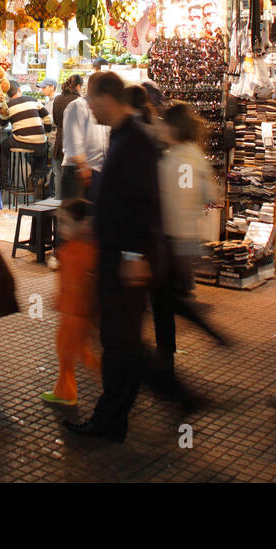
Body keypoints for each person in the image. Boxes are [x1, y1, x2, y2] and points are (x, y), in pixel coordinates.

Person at [65, 70, 199, 442]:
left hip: (126, 262)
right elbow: (122, 200)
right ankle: (137, 410)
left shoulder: (134, 141)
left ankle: (119, 417)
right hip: (116, 258)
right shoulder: (124, 137)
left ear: (107, 99)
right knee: (121, 343)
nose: (88, 106)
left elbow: (142, 206)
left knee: (120, 343)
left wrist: (133, 254)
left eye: (92, 99)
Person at [154, 102, 226, 372]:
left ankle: (167, 357)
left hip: (170, 240)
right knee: (169, 298)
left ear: (172, 127)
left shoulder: (173, 159)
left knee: (164, 300)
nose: (160, 127)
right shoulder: (195, 155)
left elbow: (168, 200)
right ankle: (171, 352)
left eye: (163, 123)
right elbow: (211, 198)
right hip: (185, 239)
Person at [41, 197, 101, 405]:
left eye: (65, 222)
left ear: (83, 224)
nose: (60, 228)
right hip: (76, 314)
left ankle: (68, 392)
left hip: (75, 315)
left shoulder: (80, 252)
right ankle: (66, 391)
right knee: (75, 353)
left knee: (71, 353)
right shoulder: (79, 250)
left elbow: (78, 287)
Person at [61, 81, 109, 202]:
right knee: (75, 215)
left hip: (96, 170)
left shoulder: (102, 107)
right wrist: (83, 166)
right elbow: (72, 140)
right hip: (76, 170)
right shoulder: (77, 106)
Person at [0, 80, 52, 192]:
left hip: (22, 141)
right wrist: (46, 136)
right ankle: (35, 176)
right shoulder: (33, 100)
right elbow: (48, 118)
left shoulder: (7, 106)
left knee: (3, 147)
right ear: (19, 90)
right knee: (40, 150)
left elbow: (2, 125)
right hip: (40, 143)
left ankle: (4, 182)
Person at [51, 75, 82, 182]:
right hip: (75, 144)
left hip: (59, 142)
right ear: (78, 86)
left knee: (59, 176)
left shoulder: (57, 99)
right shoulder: (79, 101)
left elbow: (55, 121)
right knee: (74, 180)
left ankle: (59, 198)